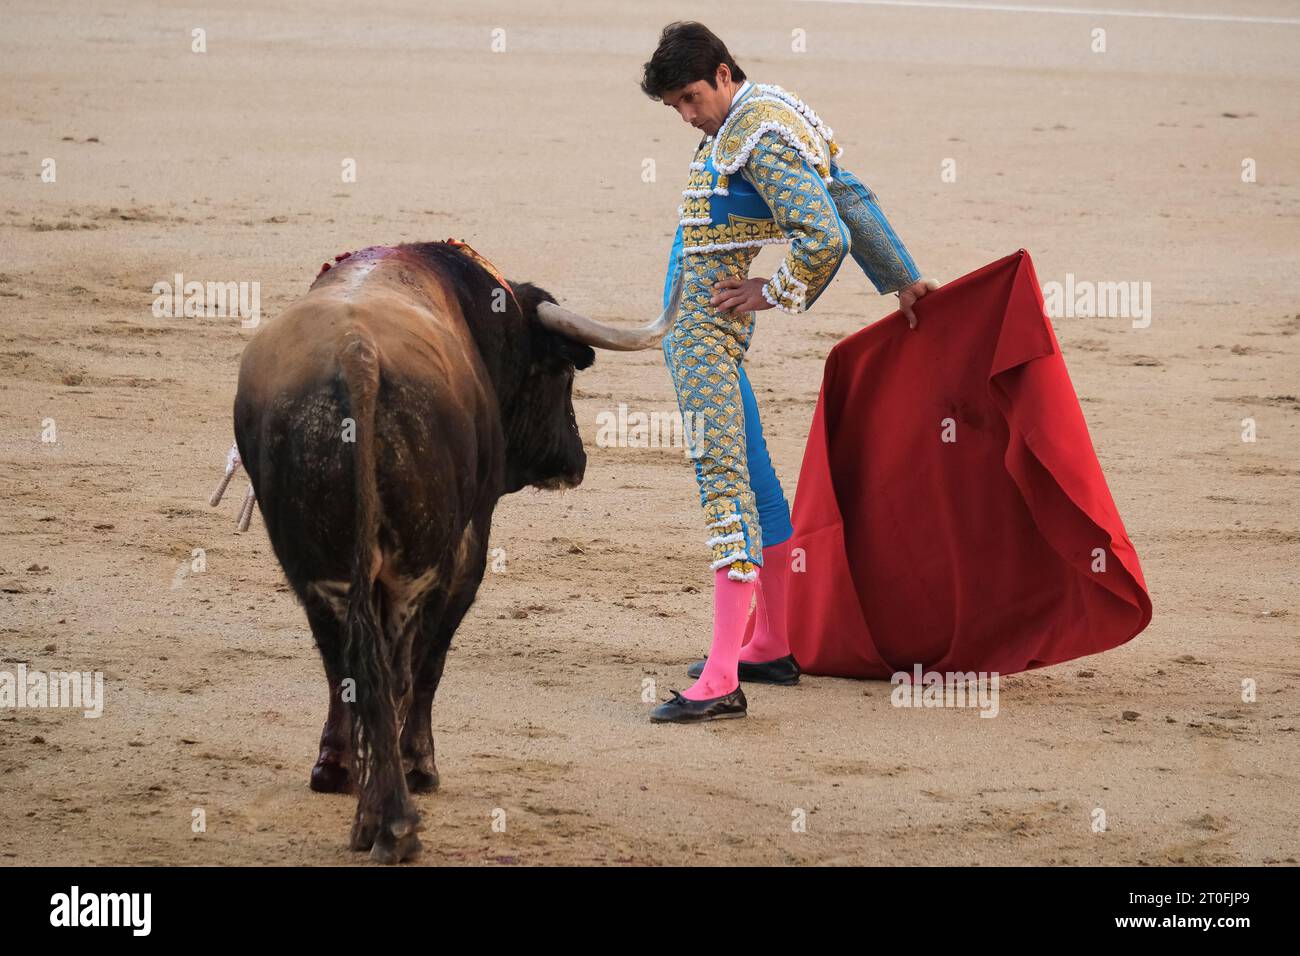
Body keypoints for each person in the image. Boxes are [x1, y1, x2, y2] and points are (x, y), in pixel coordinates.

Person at [640, 21, 934, 723]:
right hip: (703, 327)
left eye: (690, 98)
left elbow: (824, 232)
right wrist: (902, 278)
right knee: (755, 475)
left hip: (706, 332)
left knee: (723, 482)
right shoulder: (767, 111)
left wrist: (773, 291)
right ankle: (767, 643)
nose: (687, 117)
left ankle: (719, 680)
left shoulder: (756, 135)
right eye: (675, 107)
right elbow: (847, 192)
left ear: (721, 73)